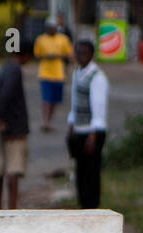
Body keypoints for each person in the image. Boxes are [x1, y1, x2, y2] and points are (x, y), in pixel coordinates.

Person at [66, 40, 109, 209]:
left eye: (84, 53)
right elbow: (75, 103)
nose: (80, 57)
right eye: (78, 53)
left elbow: (99, 108)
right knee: (81, 172)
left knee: (91, 173)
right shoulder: (77, 74)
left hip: (92, 132)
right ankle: (83, 206)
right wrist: (71, 126)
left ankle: (93, 206)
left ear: (91, 55)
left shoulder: (97, 77)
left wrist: (93, 135)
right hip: (79, 129)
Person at [0, 48, 31, 210]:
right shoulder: (15, 71)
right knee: (14, 168)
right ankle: (12, 208)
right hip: (16, 127)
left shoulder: (6, 67)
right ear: (25, 55)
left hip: (4, 125)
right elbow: (5, 95)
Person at [33, 19, 72, 133]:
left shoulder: (63, 39)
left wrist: (58, 56)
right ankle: (46, 122)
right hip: (45, 74)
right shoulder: (41, 39)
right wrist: (47, 56)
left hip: (59, 74)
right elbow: (37, 55)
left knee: (55, 100)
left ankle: (50, 120)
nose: (52, 30)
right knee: (47, 99)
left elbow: (68, 54)